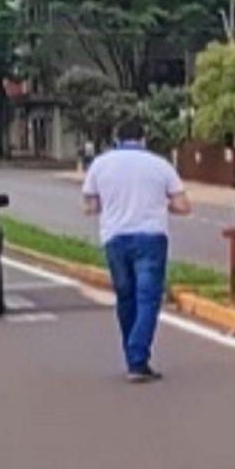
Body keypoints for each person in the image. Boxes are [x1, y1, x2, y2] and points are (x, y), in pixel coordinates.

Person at [80, 118, 193, 382]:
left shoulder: (100, 164)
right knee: (148, 299)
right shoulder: (159, 165)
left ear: (117, 139)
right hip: (151, 238)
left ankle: (133, 354)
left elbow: (89, 206)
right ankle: (137, 357)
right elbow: (184, 205)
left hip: (115, 238)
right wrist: (160, 204)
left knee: (125, 297)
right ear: (143, 139)